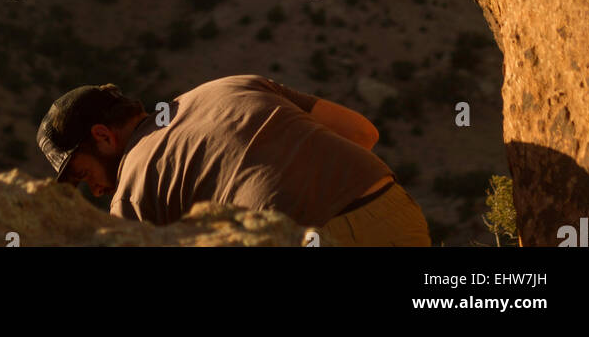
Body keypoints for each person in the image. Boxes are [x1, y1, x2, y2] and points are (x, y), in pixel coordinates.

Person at [36, 74, 431, 246]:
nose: (97, 190)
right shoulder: (232, 84)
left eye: (84, 175)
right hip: (395, 212)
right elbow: (364, 133)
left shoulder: (131, 194)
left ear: (103, 136)